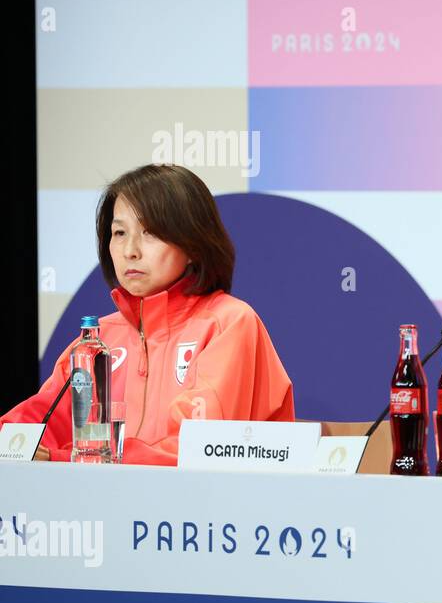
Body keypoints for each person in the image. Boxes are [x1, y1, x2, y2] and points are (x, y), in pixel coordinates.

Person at [2, 163, 295, 464]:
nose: (130, 250)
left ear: (193, 244)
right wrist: (12, 444)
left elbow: (195, 451)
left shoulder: (229, 323)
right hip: (104, 508)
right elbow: (38, 419)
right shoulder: (98, 340)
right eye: (119, 232)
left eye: (150, 232)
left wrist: (62, 460)